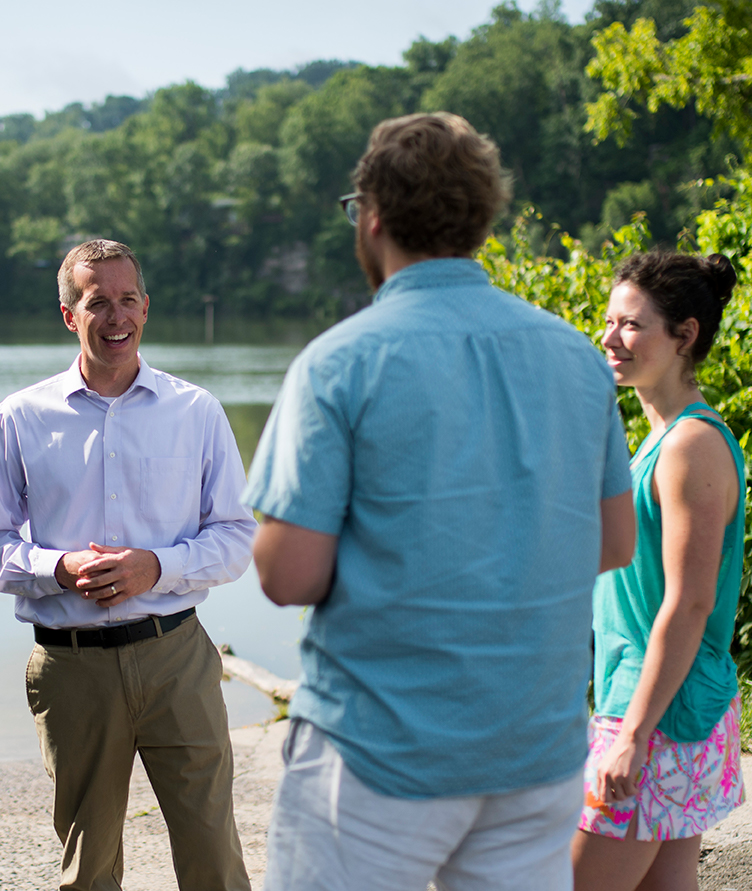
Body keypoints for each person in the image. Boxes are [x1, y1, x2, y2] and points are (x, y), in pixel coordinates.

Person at [243, 112, 637, 891]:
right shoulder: (575, 358)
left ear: (375, 217)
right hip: (533, 751)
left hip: (377, 751)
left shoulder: (340, 363)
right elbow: (614, 543)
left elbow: (288, 576)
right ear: (481, 218)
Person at [0, 239, 256, 891]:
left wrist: (159, 565)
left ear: (146, 308)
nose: (116, 316)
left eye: (128, 300)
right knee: (88, 869)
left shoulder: (196, 411)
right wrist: (58, 567)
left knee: (214, 858)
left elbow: (237, 537)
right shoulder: (21, 416)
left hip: (175, 656)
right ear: (69, 314)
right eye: (98, 302)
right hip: (71, 667)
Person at [572, 252, 744, 891]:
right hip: (665, 707)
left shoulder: (689, 446)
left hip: (656, 717)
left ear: (685, 335)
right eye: (609, 321)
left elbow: (689, 603)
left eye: (632, 325)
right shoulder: (661, 438)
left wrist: (634, 736)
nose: (609, 338)